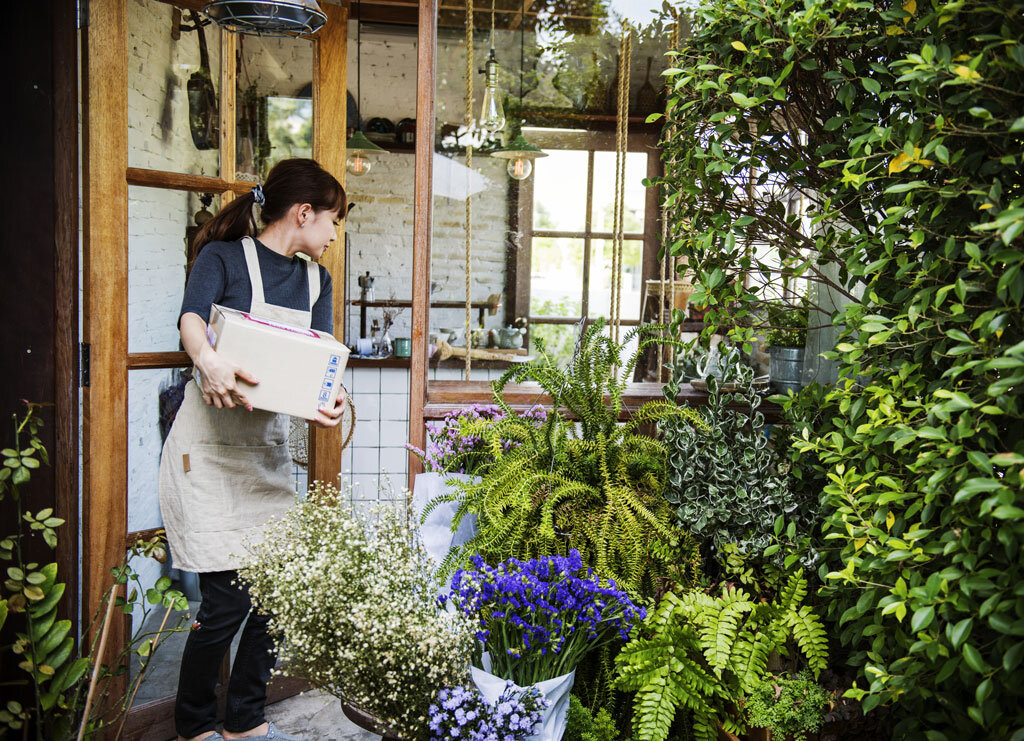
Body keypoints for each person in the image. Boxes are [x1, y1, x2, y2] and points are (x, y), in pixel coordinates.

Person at [159, 158, 347, 741]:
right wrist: (207, 358)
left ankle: (244, 718)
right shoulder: (222, 258)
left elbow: (320, 362)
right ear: (304, 213)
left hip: (262, 454)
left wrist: (333, 397)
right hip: (208, 452)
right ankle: (193, 725)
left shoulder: (318, 282)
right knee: (223, 605)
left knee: (275, 596)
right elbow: (192, 319)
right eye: (334, 221)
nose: (334, 235)